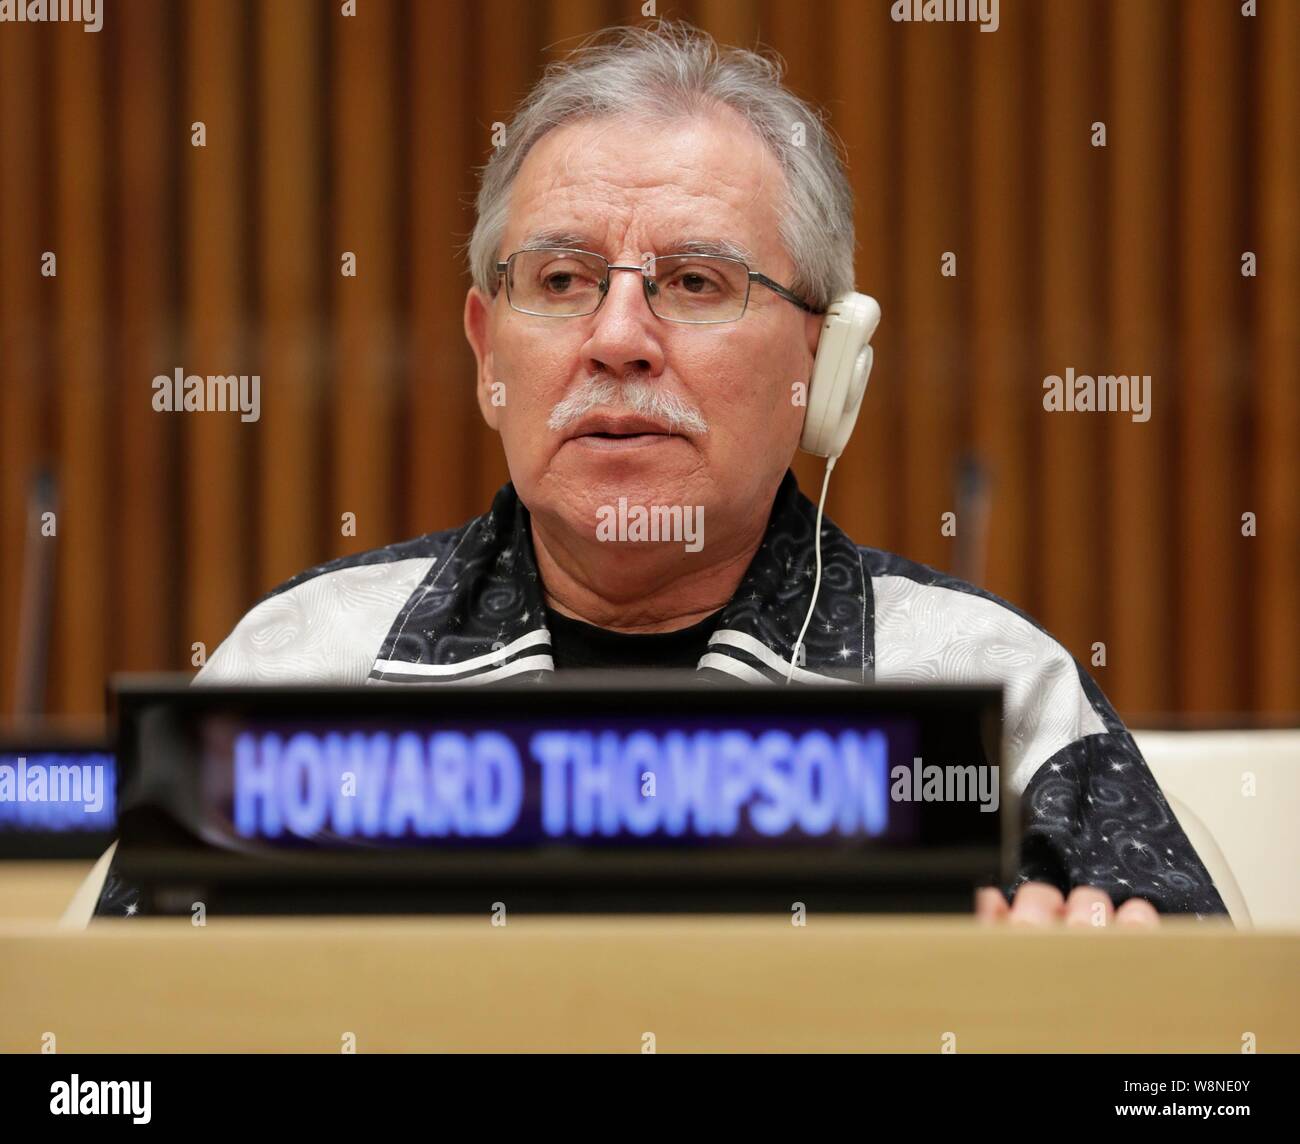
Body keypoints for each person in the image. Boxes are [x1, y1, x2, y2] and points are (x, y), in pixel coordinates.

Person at [94, 21, 1226, 925]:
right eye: (561, 279)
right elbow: (98, 1068)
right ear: (488, 351)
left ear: (822, 361)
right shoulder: (299, 676)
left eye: (693, 282)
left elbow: (1206, 1077)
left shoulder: (992, 692)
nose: (618, 337)